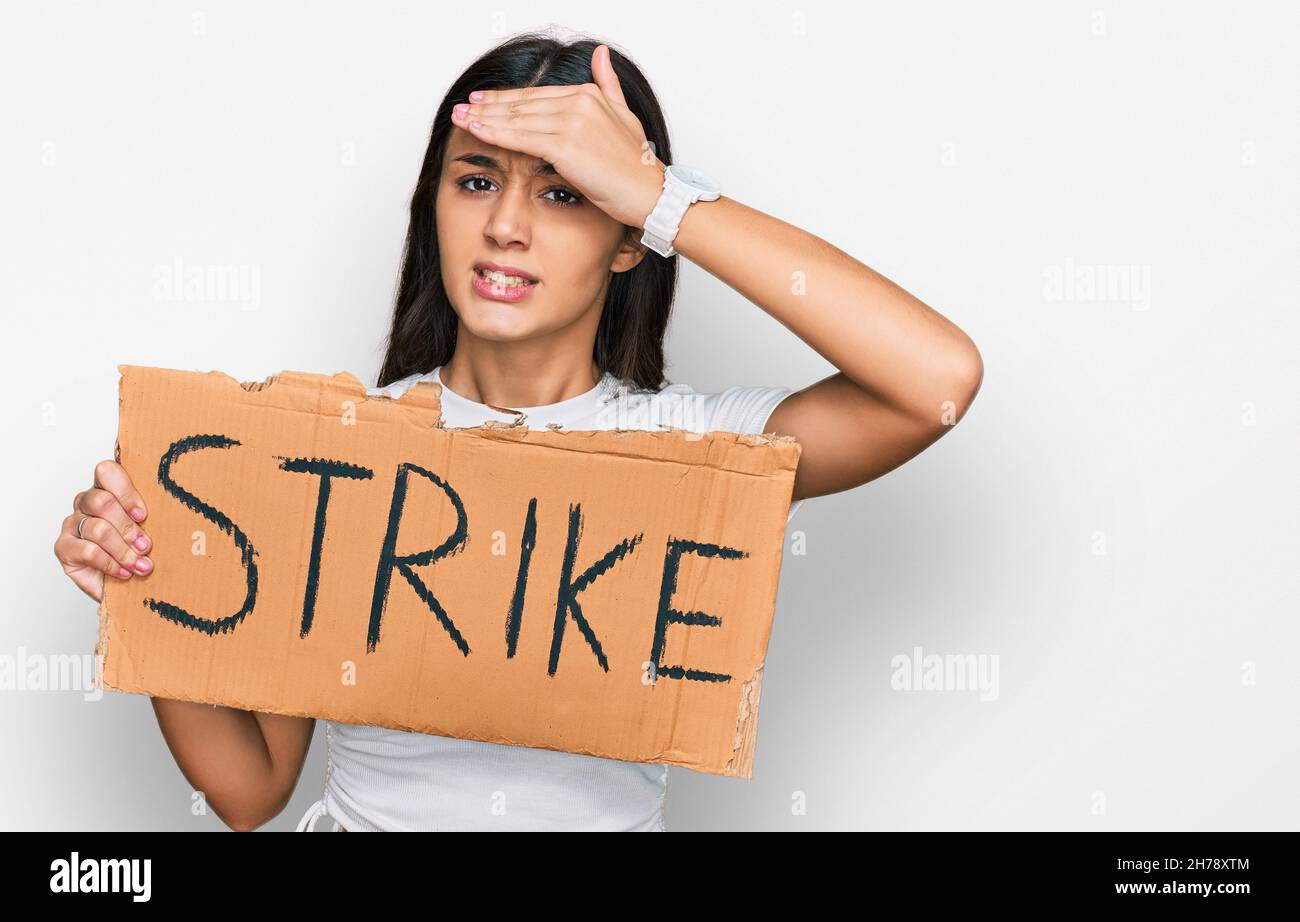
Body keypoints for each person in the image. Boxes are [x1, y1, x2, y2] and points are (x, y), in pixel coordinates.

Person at [52, 31, 983, 831]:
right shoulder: (339, 442)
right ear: (435, 206)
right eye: (477, 179)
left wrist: (659, 196)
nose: (505, 225)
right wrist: (145, 584)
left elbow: (934, 380)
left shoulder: (697, 452)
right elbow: (248, 792)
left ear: (629, 242)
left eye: (565, 192)